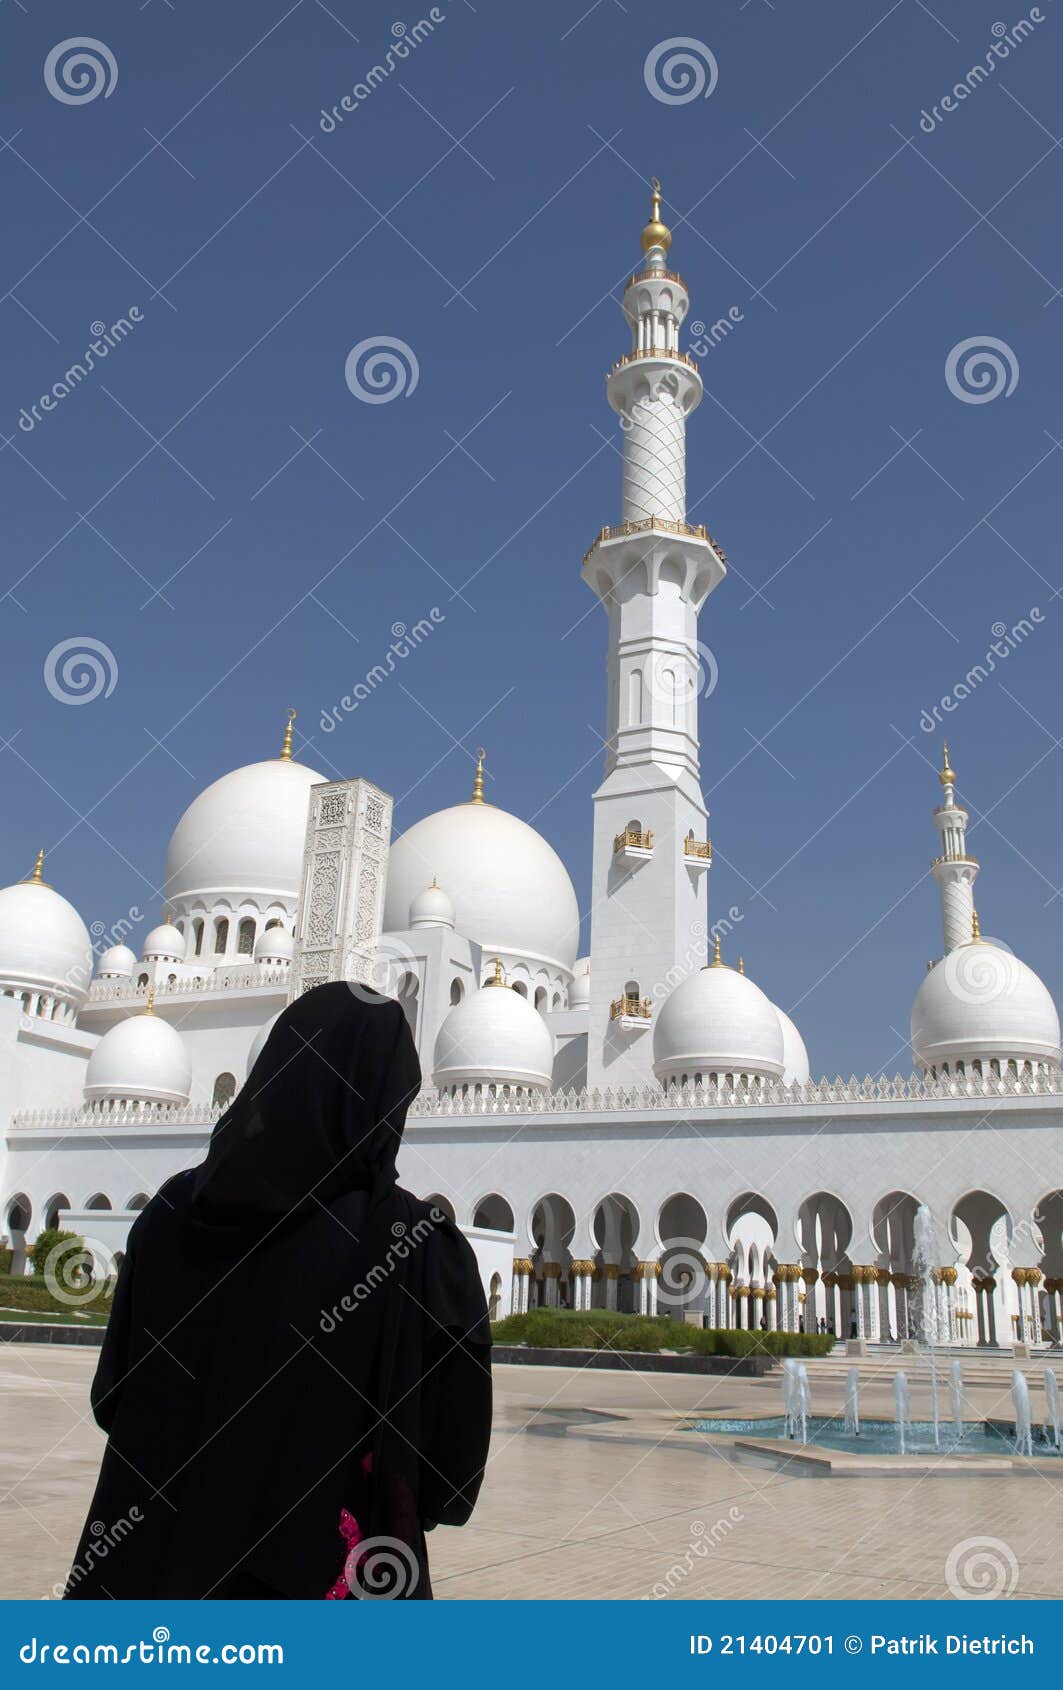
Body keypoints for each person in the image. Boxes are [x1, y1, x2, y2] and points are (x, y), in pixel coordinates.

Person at [65, 985, 491, 1600]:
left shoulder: (169, 1216)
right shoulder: (418, 1249)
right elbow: (450, 1481)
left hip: (143, 1579)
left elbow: (113, 1399)